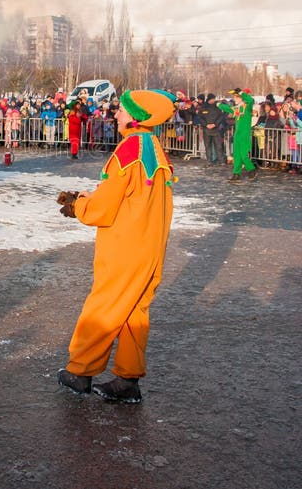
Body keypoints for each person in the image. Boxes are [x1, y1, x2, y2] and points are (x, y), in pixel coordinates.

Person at [56, 89, 177, 403]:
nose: (116, 114)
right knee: (134, 312)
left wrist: (81, 205)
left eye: (121, 110)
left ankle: (79, 372)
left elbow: (106, 206)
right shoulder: (155, 149)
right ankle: (127, 379)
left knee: (105, 307)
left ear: (135, 116)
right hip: (150, 247)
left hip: (126, 247)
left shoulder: (128, 151)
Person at [218, 89, 257, 181]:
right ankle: (236, 173)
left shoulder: (247, 107)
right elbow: (229, 109)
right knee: (237, 155)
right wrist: (219, 105)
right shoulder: (237, 108)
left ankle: (251, 169)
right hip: (237, 134)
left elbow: (250, 100)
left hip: (244, 134)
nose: (234, 99)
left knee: (243, 155)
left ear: (240, 98)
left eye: (236, 97)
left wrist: (241, 93)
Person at [198, 93, 227, 164]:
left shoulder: (217, 107)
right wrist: (206, 125)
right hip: (206, 129)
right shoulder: (203, 107)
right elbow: (200, 117)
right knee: (207, 146)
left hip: (216, 129)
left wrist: (215, 124)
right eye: (212, 99)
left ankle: (221, 161)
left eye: (214, 99)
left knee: (219, 146)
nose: (213, 100)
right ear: (209, 99)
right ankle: (209, 161)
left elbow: (221, 116)